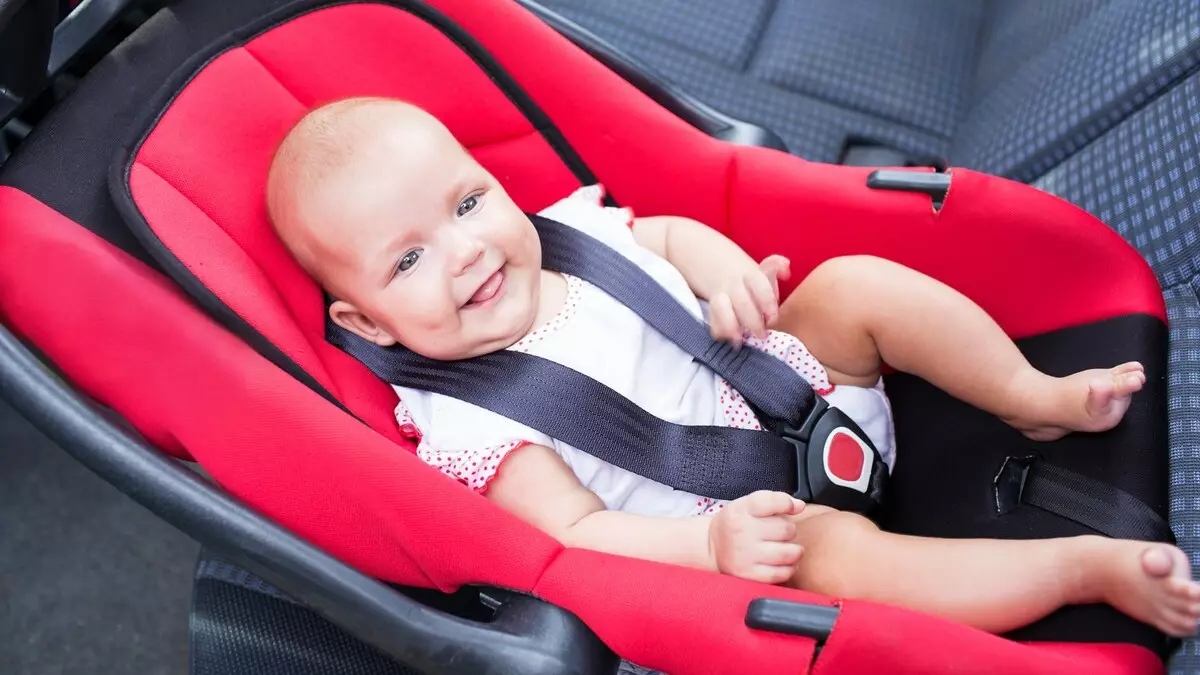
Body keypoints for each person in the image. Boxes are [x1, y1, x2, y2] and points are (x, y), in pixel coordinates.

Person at [264, 96, 1199, 637]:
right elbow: (574, 533)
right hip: (741, 522)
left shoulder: (569, 236)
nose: (465, 251)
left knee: (854, 285)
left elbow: (666, 234)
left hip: (788, 381)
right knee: (835, 556)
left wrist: (727, 281)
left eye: (469, 202)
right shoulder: (471, 421)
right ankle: (1078, 571)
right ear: (362, 318)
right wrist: (708, 550)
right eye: (409, 260)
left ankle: (1029, 397)